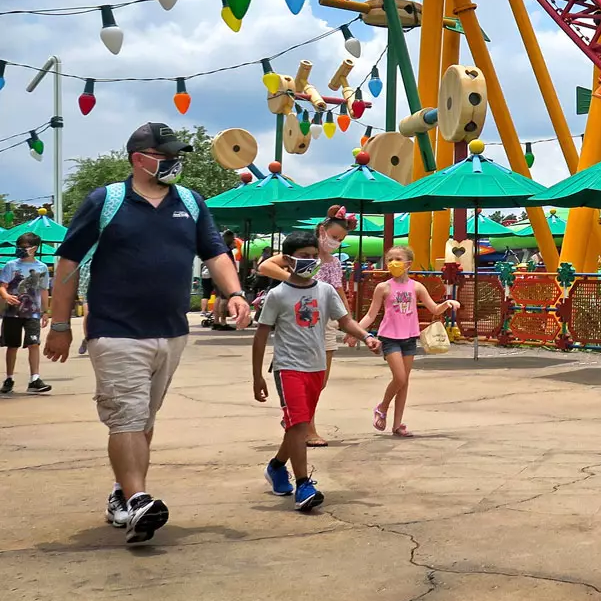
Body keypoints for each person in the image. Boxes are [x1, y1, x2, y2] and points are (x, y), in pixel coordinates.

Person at [45, 122, 249, 546]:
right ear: (139, 159)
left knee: (143, 421)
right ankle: (139, 499)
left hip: (171, 331)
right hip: (115, 330)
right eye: (166, 154)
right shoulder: (107, 200)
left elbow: (215, 252)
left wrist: (235, 293)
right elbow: (67, 264)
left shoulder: (191, 203)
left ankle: (122, 494)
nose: (175, 162)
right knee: (128, 418)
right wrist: (60, 325)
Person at [252, 232, 378, 510]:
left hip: (316, 367)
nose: (309, 261)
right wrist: (257, 375)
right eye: (303, 256)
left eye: (313, 256)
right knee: (299, 425)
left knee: (296, 424)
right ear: (287, 260)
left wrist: (366, 336)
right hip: (288, 368)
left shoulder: (325, 290)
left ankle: (276, 467)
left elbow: (344, 320)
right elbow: (261, 335)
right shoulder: (278, 295)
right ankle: (303, 485)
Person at [258, 208, 355, 446]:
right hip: (300, 322)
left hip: (327, 323)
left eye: (341, 239)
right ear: (322, 230)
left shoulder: (333, 263)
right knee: (297, 374)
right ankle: (307, 428)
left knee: (319, 380)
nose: (336, 242)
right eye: (334, 236)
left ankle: (299, 420)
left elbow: (339, 291)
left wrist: (351, 323)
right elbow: (265, 267)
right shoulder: (301, 256)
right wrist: (296, 280)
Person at [357, 245, 456, 438]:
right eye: (390, 259)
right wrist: (357, 332)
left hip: (409, 338)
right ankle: (382, 407)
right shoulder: (383, 287)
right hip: (390, 338)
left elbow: (435, 309)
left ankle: (397, 424)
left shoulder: (416, 287)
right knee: (399, 378)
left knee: (404, 383)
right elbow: (371, 314)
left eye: (398, 259)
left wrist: (448, 304)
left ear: (408, 264)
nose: (393, 262)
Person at [1, 231, 53, 394]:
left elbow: (44, 290)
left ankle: (35, 379)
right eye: (19, 247)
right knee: (12, 345)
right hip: (12, 313)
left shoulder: (41, 267)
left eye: (24, 247)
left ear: (34, 248)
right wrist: (6, 295)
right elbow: (2, 285)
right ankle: (9, 377)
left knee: (34, 343)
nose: (21, 249)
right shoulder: (11, 265)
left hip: (32, 313)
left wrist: (46, 311)